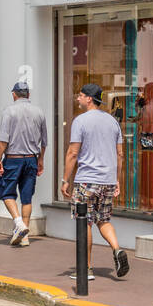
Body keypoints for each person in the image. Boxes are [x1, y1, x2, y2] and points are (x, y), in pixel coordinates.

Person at [60, 83, 129, 280]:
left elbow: (73, 152)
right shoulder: (112, 122)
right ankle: (117, 249)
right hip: (107, 180)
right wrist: (117, 180)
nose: (77, 98)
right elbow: (120, 154)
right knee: (103, 219)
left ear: (89, 98)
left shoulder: (80, 121)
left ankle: (86, 268)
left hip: (86, 180)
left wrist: (66, 179)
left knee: (85, 223)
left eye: (80, 95)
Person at [0, 81, 47, 246]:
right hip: (31, 158)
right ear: (28, 95)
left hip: (13, 158)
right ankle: (24, 237)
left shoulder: (9, 111)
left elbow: (4, 139)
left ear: (14, 94)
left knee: (5, 192)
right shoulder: (39, 112)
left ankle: (18, 223)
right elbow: (44, 141)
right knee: (27, 197)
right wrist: (41, 159)